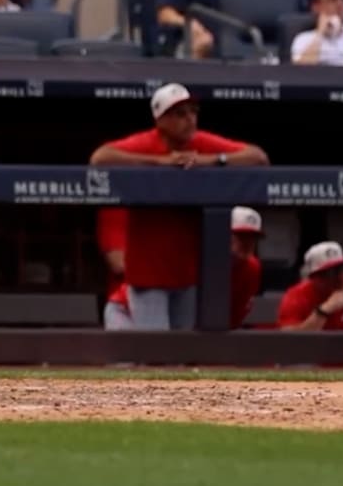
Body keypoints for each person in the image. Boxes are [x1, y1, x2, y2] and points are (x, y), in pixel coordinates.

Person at [88, 84, 269, 330]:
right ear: (160, 119)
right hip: (148, 273)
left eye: (192, 112)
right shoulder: (146, 142)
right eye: (180, 114)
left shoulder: (201, 142)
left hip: (188, 272)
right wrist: (159, 162)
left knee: (183, 355)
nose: (189, 119)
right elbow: (100, 158)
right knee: (157, 355)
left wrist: (213, 159)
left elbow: (258, 157)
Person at [102, 207, 264, 331]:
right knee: (142, 365)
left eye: (252, 238)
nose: (246, 243)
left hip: (176, 315)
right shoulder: (198, 256)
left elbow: (232, 317)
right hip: (125, 310)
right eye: (239, 237)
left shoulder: (252, 269)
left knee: (177, 363)